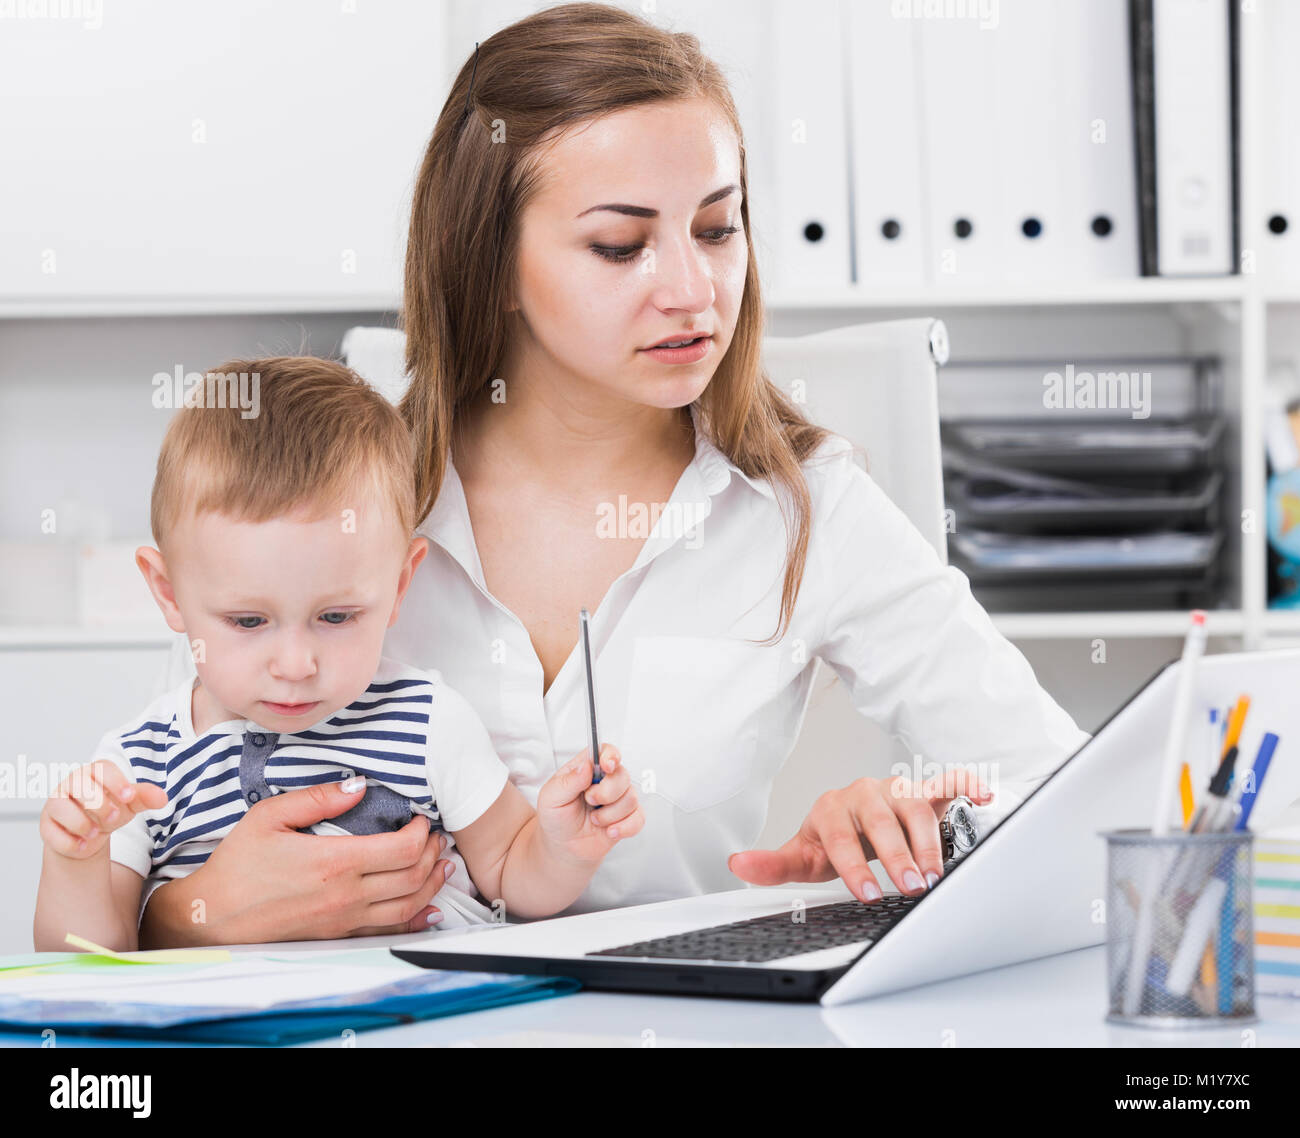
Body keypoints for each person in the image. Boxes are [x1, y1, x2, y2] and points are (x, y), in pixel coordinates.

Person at [136, 3, 1089, 948]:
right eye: (620, 246)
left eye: (717, 229)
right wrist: (190, 914)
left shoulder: (809, 508)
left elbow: (1073, 793)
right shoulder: (327, 496)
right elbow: (144, 812)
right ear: (491, 262)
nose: (693, 289)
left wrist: (928, 818)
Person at [33, 355, 642, 952]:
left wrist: (564, 847)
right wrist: (75, 863)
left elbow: (511, 872)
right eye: (248, 620)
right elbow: (92, 956)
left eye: (336, 617)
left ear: (399, 585)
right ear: (168, 594)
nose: (296, 664)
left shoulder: (426, 720)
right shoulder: (142, 766)